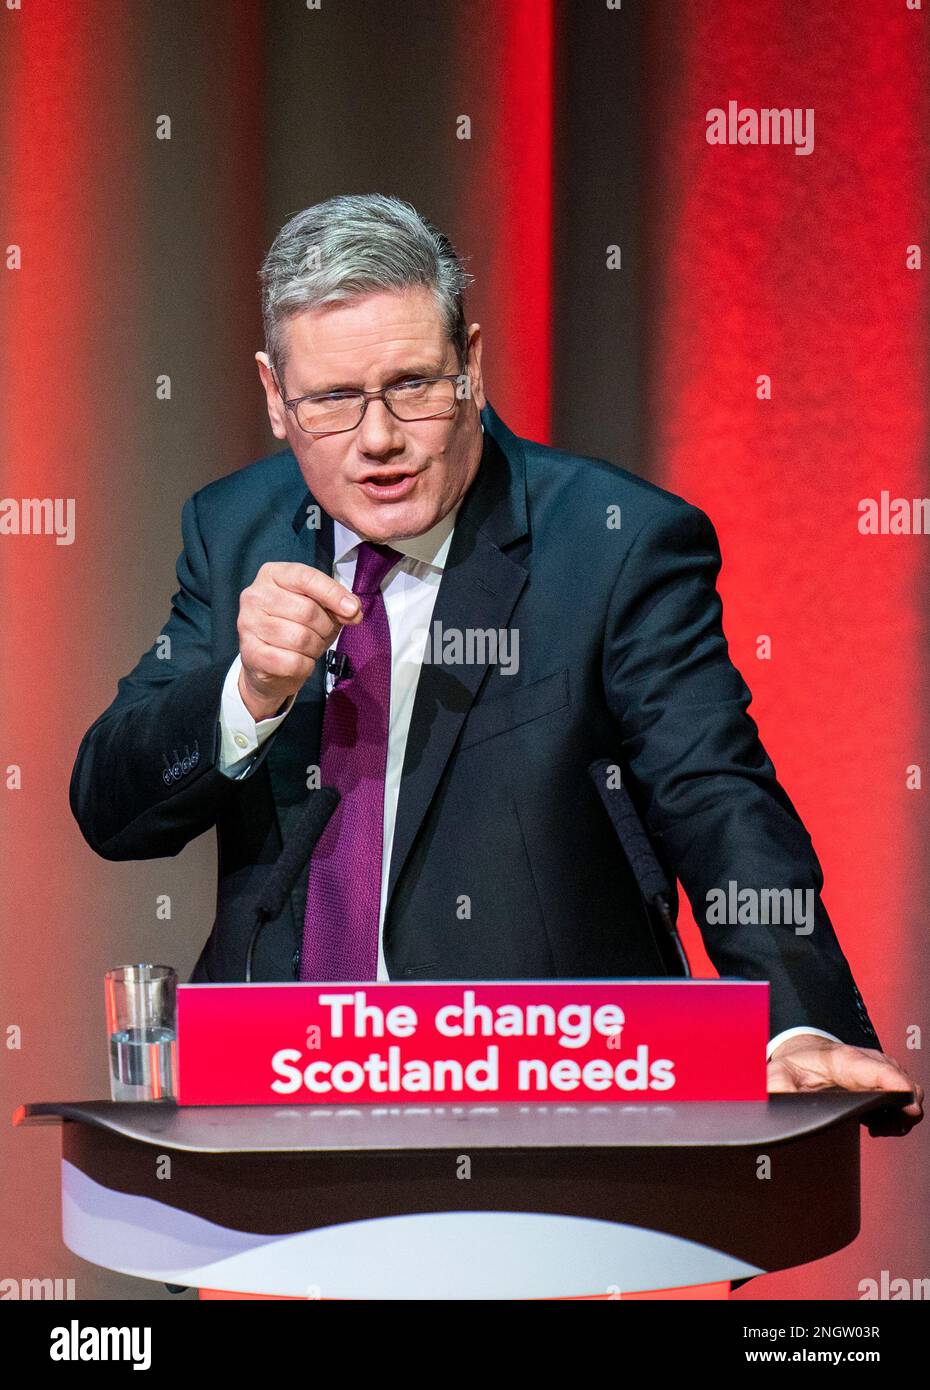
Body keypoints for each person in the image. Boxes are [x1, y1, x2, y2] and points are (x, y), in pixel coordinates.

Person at [69, 193, 922, 1133]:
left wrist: (794, 1025)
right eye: (333, 401)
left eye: (414, 385)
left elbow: (713, 794)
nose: (380, 437)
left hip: (544, 1117)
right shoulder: (234, 528)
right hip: (272, 1117)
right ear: (275, 397)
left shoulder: (615, 543)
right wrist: (245, 692)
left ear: (471, 363)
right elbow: (114, 808)